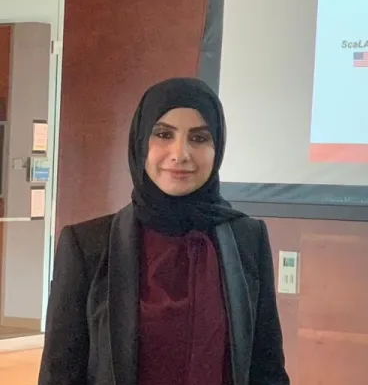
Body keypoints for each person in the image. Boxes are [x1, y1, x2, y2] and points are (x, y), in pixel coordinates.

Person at [38, 77, 290, 385]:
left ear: (218, 149)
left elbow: (267, 369)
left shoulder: (247, 239)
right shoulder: (86, 246)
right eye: (163, 134)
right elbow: (60, 374)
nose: (180, 153)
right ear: (140, 142)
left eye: (199, 138)